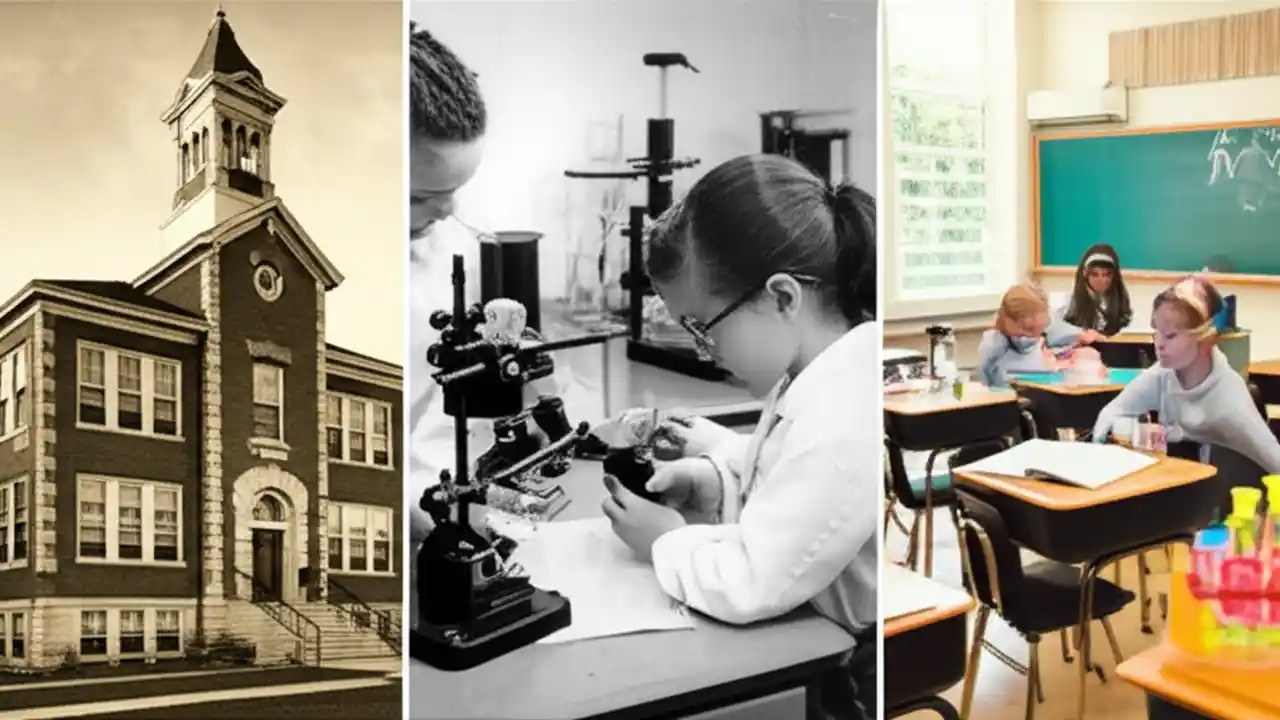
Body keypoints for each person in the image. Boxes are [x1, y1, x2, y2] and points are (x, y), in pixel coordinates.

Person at [597, 154, 879, 720]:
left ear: (781, 298)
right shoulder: (809, 375)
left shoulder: (842, 421)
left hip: (851, 665)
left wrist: (664, 540)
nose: (703, 348)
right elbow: (784, 483)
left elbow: (754, 583)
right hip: (814, 624)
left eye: (703, 325)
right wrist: (711, 481)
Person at [1092, 275, 1280, 472]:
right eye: (1157, 333)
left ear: (1206, 338)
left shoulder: (1231, 404)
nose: (1159, 345)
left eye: (1171, 335)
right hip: (1175, 486)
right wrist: (1129, 432)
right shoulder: (1163, 375)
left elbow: (1274, 459)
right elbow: (1112, 414)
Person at [977, 283, 1085, 388]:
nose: (1034, 336)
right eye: (1028, 329)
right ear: (1007, 320)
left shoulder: (1048, 327)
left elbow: (1082, 336)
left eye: (1040, 328)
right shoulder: (994, 347)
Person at [1060, 243, 1132, 337]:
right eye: (1094, 274)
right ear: (1085, 274)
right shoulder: (1069, 304)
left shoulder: (1122, 302)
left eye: (1107, 275)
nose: (1101, 280)